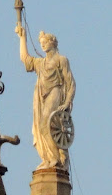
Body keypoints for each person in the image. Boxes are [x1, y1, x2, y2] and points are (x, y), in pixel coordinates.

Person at [16, 26, 75, 169]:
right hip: (42, 97)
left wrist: (67, 102)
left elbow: (71, 83)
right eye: (41, 42)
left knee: (46, 123)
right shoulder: (40, 63)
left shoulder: (62, 60)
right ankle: (49, 157)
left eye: (45, 42)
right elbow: (25, 59)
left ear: (53, 43)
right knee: (43, 126)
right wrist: (22, 38)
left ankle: (55, 157)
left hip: (55, 92)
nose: (42, 44)